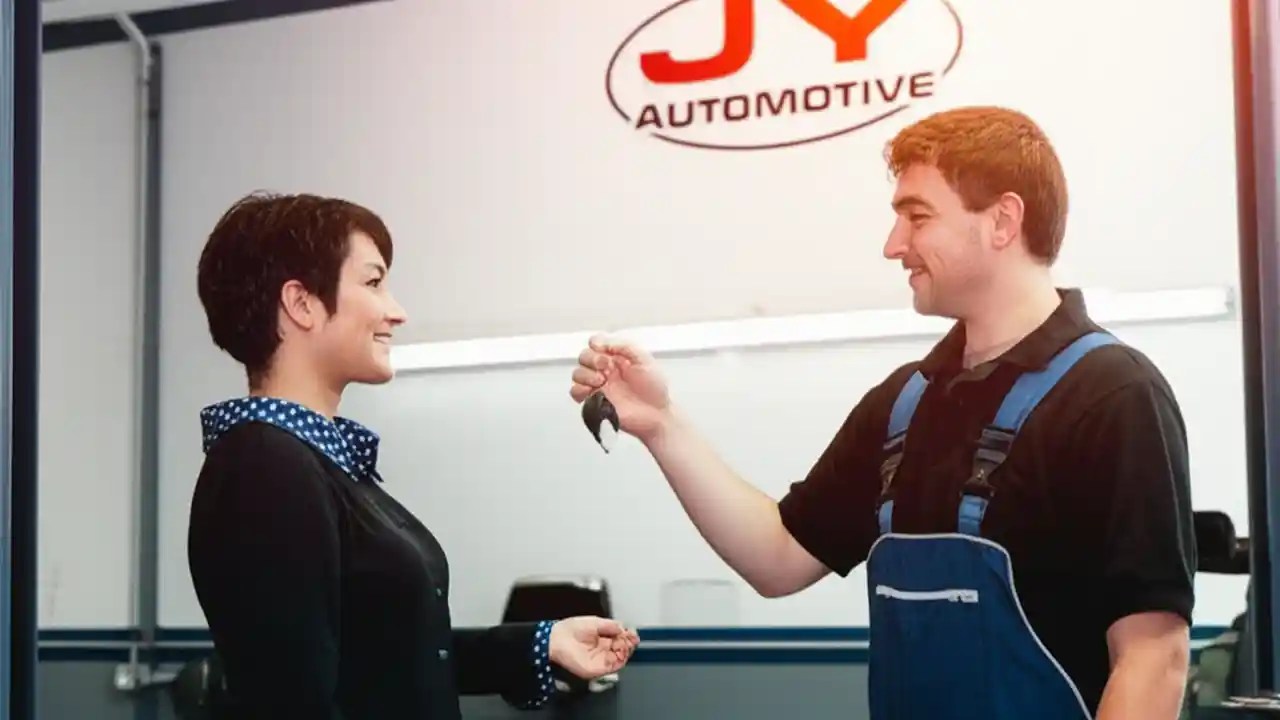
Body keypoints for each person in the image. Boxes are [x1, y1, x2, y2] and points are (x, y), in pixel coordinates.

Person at [570, 106, 1195, 720]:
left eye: (916, 218)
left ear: (1003, 220)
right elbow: (778, 557)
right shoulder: (907, 404)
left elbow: (1153, 656)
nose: (894, 245)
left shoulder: (1114, 396)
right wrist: (661, 424)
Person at [188, 191, 639, 719]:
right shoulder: (265, 468)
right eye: (374, 282)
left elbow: (385, 659)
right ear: (301, 303)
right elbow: (292, 702)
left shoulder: (312, 462)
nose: (396, 312)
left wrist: (543, 644)